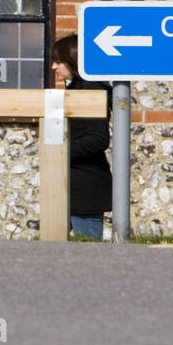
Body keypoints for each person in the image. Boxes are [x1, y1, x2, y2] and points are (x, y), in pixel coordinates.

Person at [50, 34, 112, 240]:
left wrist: (62, 150)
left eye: (58, 61)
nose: (53, 67)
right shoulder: (76, 88)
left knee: (89, 255)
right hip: (73, 186)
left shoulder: (90, 90)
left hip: (86, 188)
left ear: (72, 60)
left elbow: (99, 138)